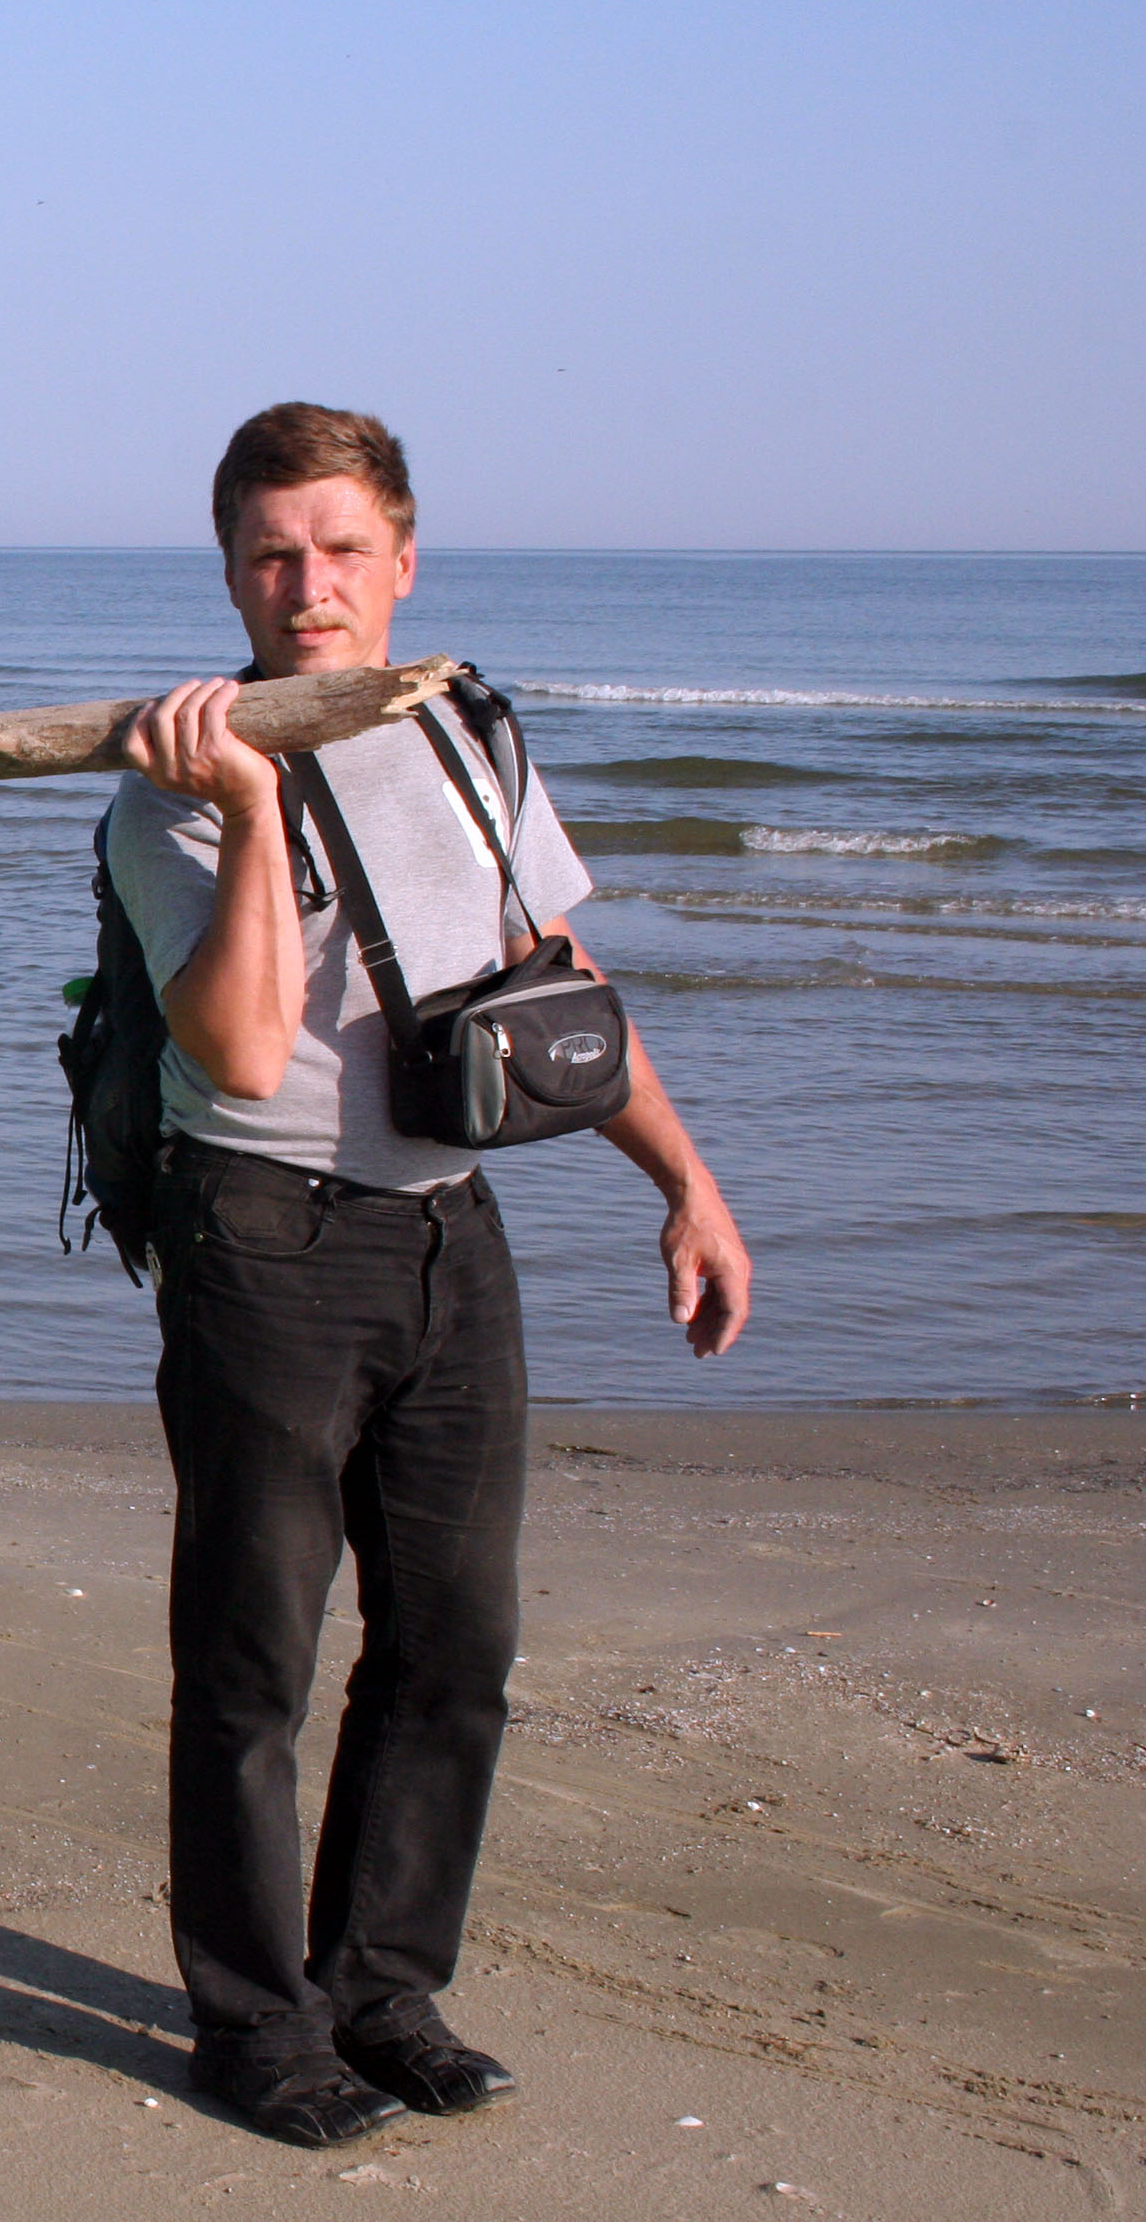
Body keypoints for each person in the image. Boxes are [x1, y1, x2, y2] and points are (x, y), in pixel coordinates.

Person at [105, 404, 750, 2145]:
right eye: (267, 554)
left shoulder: (467, 730)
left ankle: (383, 1993)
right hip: (264, 1232)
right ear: (229, 568)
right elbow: (238, 1053)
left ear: (403, 560)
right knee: (253, 1659)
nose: (304, 588)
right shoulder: (169, 787)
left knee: (457, 1641)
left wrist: (686, 1183)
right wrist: (246, 800)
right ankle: (254, 2026)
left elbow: (557, 980)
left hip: (456, 1228)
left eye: (337, 550)